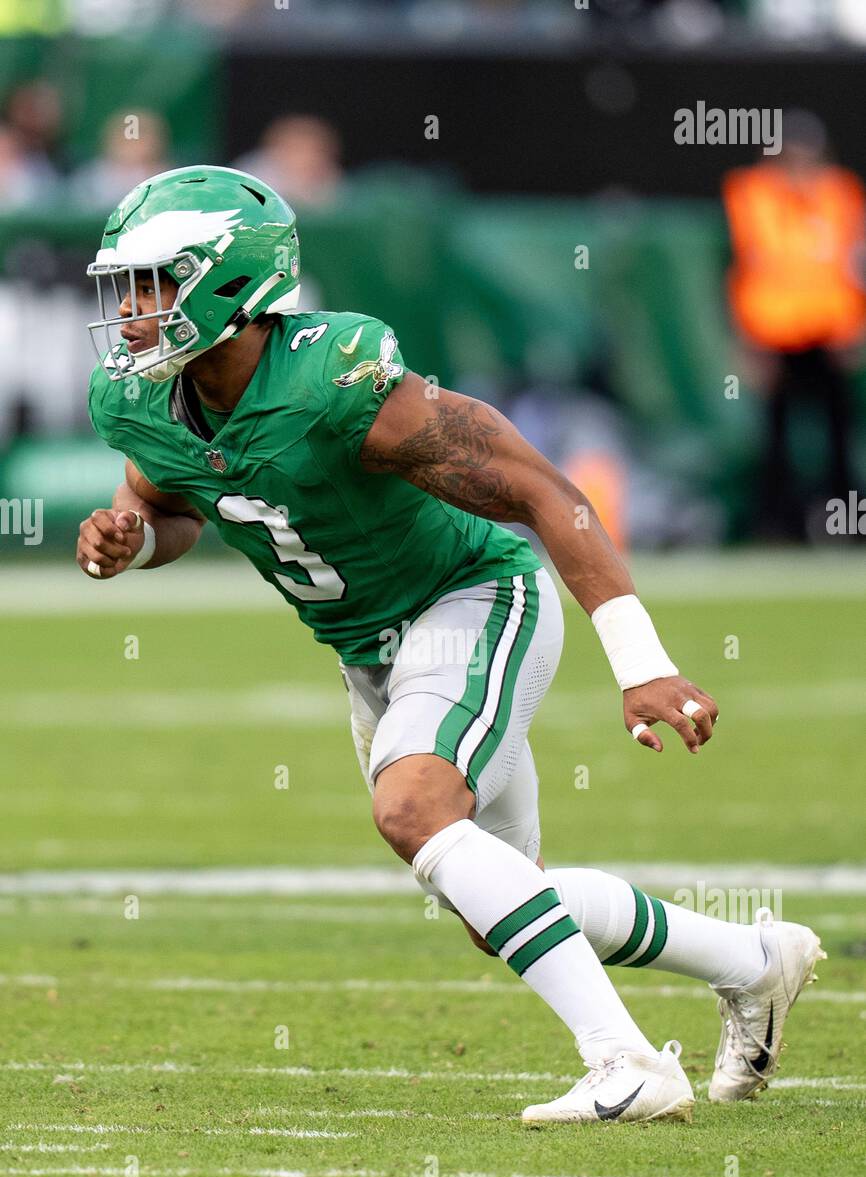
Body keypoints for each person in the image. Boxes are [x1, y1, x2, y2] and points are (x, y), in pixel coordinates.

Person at [80, 165, 825, 1123]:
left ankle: (625, 1063)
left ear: (227, 283)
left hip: (471, 598)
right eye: (126, 286)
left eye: (153, 283)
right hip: (368, 656)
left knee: (414, 809)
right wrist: (129, 540)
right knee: (503, 906)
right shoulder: (138, 401)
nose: (130, 310)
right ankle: (753, 964)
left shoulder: (336, 381)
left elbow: (543, 489)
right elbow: (165, 500)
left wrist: (641, 663)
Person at [723, 111, 866, 540]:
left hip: (829, 332)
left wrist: (855, 325)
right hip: (773, 334)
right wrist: (747, 342)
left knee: (839, 437)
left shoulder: (840, 193)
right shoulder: (753, 195)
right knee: (774, 440)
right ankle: (775, 529)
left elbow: (852, 264)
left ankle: (845, 529)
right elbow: (741, 268)